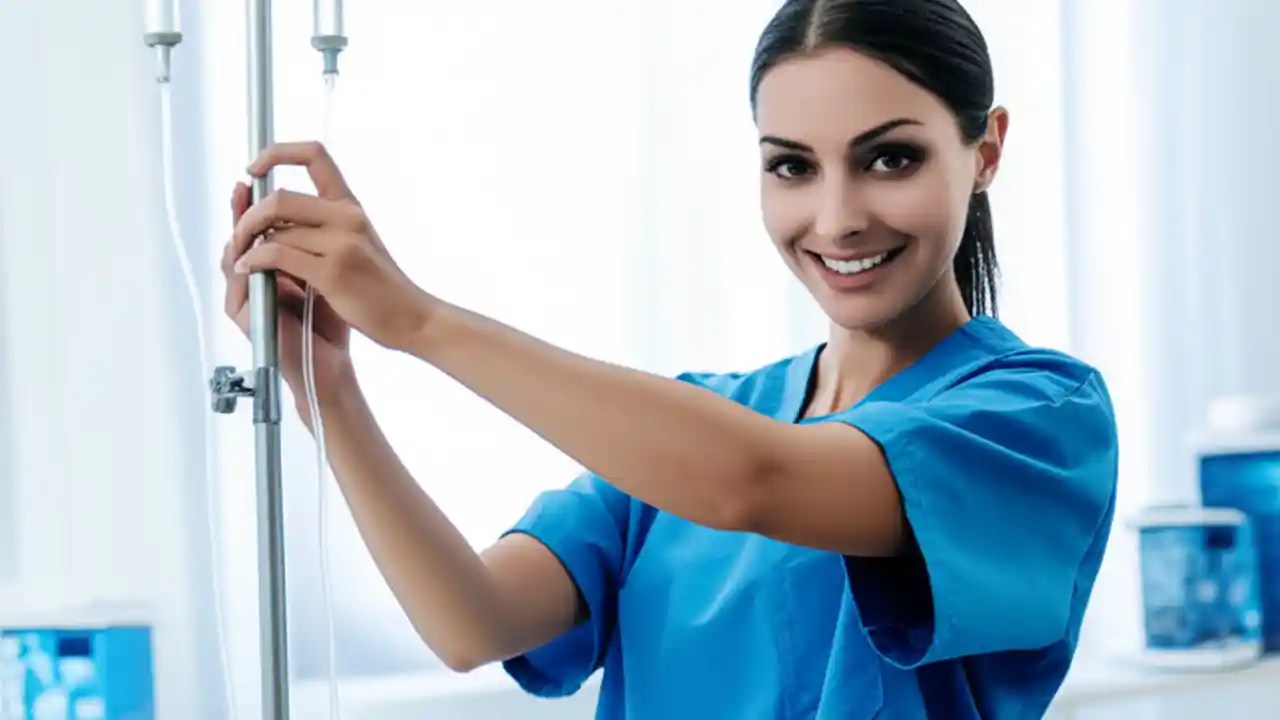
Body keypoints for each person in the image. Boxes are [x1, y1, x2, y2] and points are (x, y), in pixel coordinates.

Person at [220, 0, 1119, 717]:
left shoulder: (1036, 419)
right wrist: (331, 392)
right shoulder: (692, 428)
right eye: (793, 167)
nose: (838, 217)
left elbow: (753, 482)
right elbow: (471, 622)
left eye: (890, 159)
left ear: (986, 150)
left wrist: (419, 321)